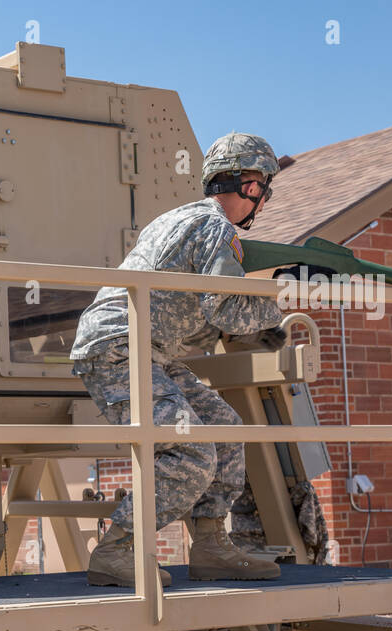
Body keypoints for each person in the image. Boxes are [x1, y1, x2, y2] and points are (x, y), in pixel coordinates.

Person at [71, 132, 288, 587]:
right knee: (189, 449)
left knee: (225, 432)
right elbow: (224, 307)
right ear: (250, 185)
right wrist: (282, 297)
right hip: (119, 347)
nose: (263, 202)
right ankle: (116, 550)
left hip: (148, 350)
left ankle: (210, 546)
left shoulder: (184, 218)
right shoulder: (216, 228)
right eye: (263, 189)